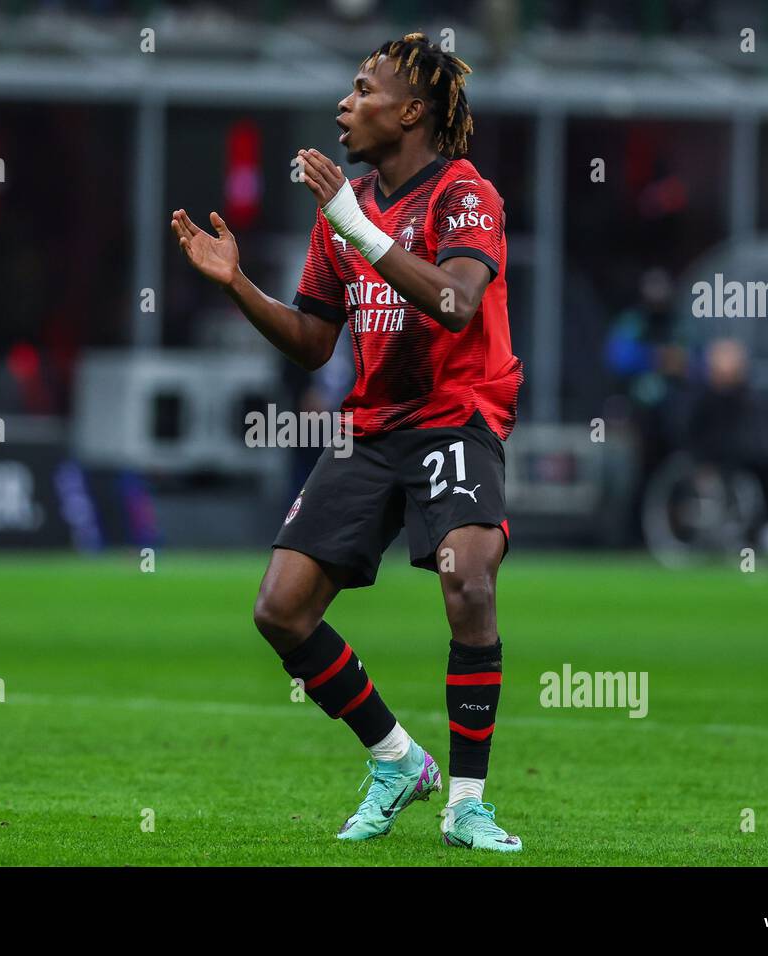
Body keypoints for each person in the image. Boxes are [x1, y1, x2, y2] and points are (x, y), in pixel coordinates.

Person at [171, 33, 524, 852]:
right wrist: (237, 286)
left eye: (363, 88)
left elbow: (458, 304)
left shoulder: (464, 194)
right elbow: (311, 342)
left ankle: (467, 803)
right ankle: (398, 760)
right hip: (371, 429)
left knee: (468, 583)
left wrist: (354, 225)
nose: (344, 102)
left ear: (411, 111)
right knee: (280, 609)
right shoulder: (346, 210)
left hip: (458, 414)